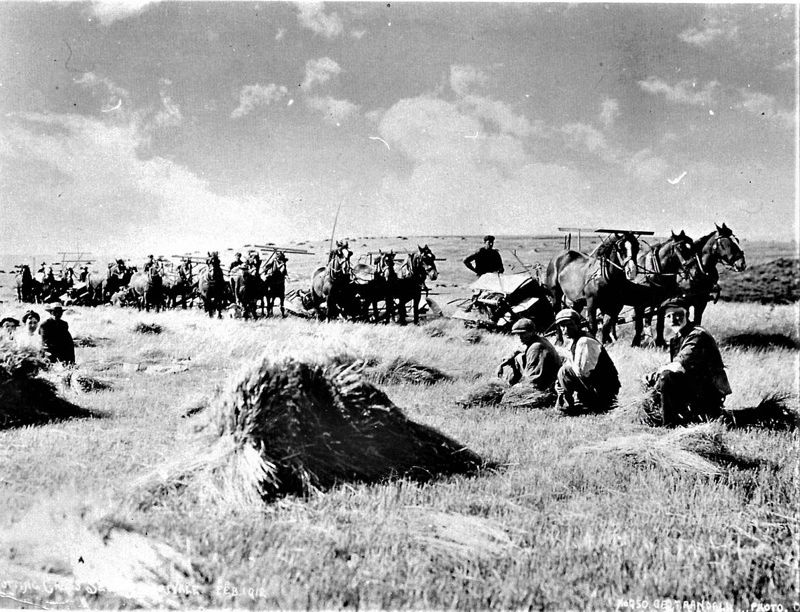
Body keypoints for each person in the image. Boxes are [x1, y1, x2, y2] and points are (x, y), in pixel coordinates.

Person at [642, 300, 731, 426]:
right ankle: (669, 417)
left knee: (666, 377)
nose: (673, 319)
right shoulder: (679, 337)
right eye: (668, 316)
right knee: (659, 379)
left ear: (687, 314)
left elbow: (678, 366)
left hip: (708, 394)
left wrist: (655, 375)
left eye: (677, 314)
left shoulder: (697, 335)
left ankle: (670, 425)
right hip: (696, 389)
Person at [554, 308, 620, 413]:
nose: (566, 329)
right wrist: (559, 384)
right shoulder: (574, 340)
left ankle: (574, 405)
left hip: (604, 392)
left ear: (578, 324)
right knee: (563, 373)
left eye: (570, 325)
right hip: (597, 387)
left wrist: (564, 382)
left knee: (564, 371)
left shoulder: (584, 342)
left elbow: (582, 373)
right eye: (562, 326)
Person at [496, 318, 561, 390]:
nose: (520, 337)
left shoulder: (536, 347)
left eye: (523, 334)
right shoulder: (533, 341)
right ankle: (510, 384)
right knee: (517, 358)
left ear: (532, 332)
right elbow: (518, 350)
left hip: (547, 384)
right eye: (518, 334)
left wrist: (520, 387)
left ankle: (510, 386)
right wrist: (501, 364)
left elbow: (534, 378)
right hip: (542, 378)